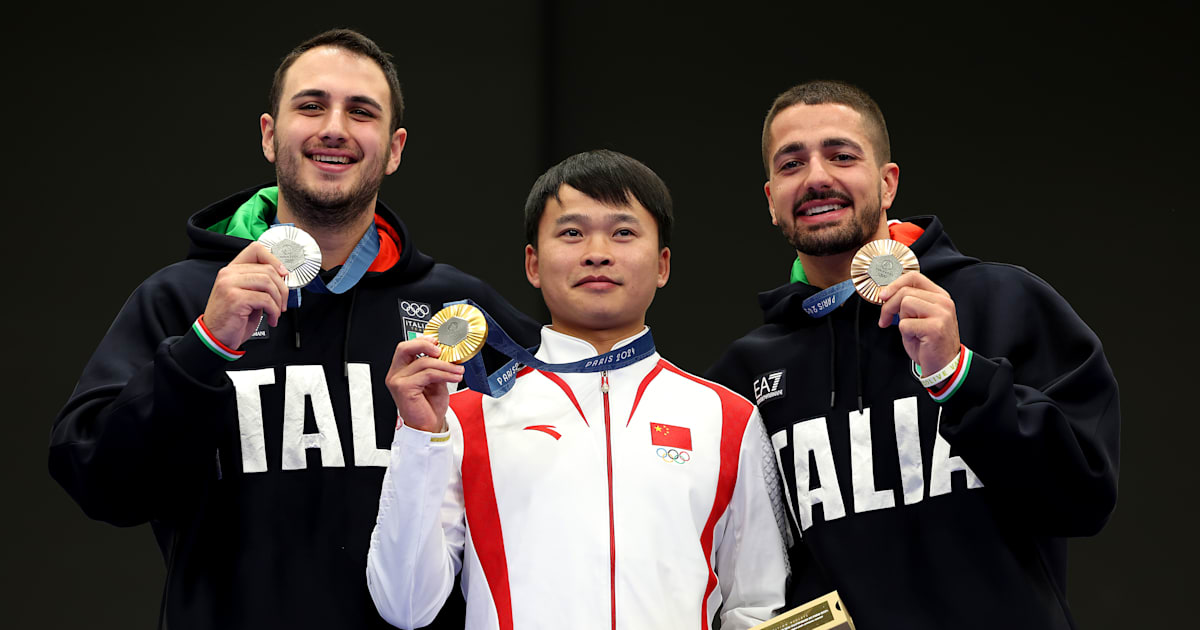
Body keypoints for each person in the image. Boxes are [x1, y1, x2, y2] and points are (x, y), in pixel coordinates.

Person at [48, 29, 538, 630]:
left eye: (361, 112)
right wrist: (204, 347)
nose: (334, 127)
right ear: (269, 135)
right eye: (311, 106)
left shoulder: (457, 312)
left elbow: (566, 475)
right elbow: (102, 485)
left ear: (394, 149)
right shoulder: (182, 298)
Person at [706, 80, 1120, 629]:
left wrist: (960, 375)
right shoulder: (742, 375)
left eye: (841, 155)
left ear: (887, 181)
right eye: (791, 164)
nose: (817, 178)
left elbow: (1083, 497)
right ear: (771, 201)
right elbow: (737, 576)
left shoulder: (1004, 302)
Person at [366, 150, 789, 630]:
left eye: (623, 232)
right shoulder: (466, 417)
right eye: (571, 232)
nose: (597, 252)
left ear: (662, 265)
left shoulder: (727, 419)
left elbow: (757, 606)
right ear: (532, 263)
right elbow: (405, 606)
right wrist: (421, 438)